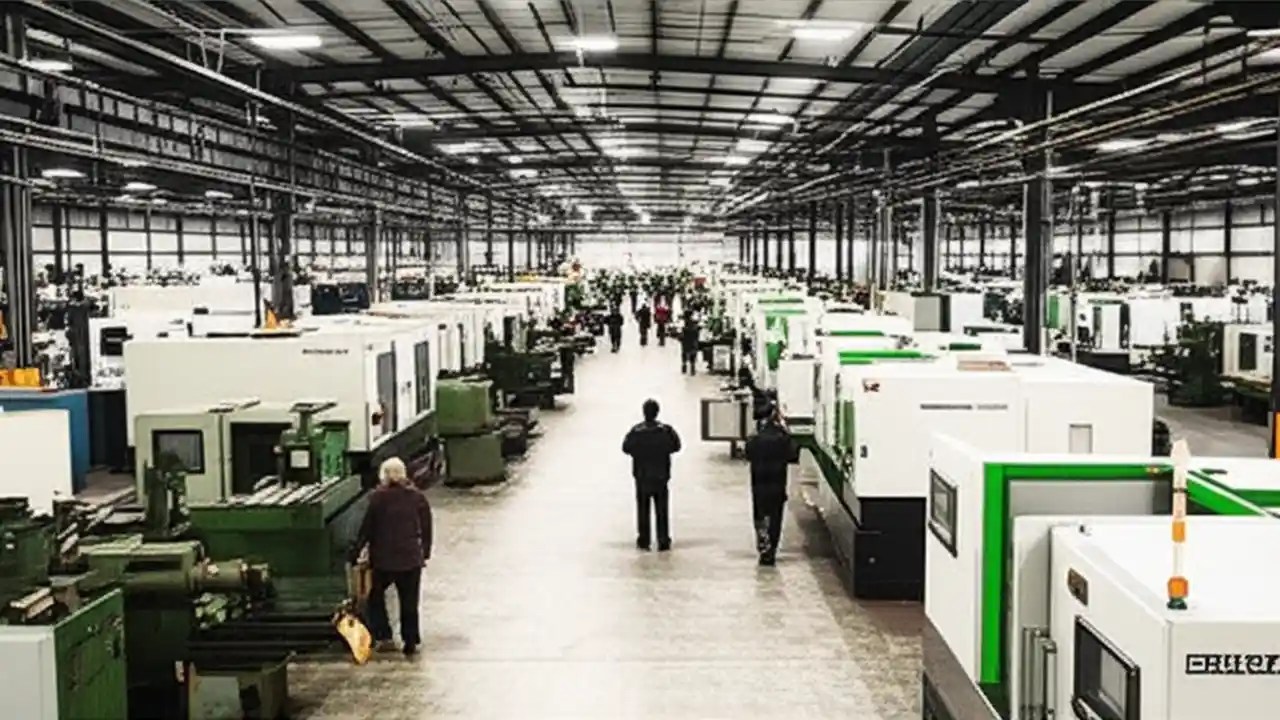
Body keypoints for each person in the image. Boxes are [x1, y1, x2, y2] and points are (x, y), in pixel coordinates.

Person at [350, 457, 432, 655]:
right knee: (409, 602)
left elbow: (367, 528)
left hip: (384, 560)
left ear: (384, 475)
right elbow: (426, 527)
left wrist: (356, 551)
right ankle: (410, 640)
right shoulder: (417, 497)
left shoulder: (377, 498)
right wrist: (425, 552)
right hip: (410, 559)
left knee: (375, 597)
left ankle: (384, 636)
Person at [621, 399, 682, 551]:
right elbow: (676, 446)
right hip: (661, 476)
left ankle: (644, 539)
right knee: (662, 509)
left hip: (642, 476)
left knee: (643, 509)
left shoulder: (636, 431)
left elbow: (626, 448)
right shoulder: (666, 431)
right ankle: (663, 539)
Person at [744, 406, 792, 566]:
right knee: (775, 517)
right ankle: (772, 550)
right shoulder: (783, 437)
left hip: (759, 484)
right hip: (778, 484)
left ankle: (763, 547)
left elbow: (748, 454)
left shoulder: (754, 438)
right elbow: (793, 455)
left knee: (760, 515)